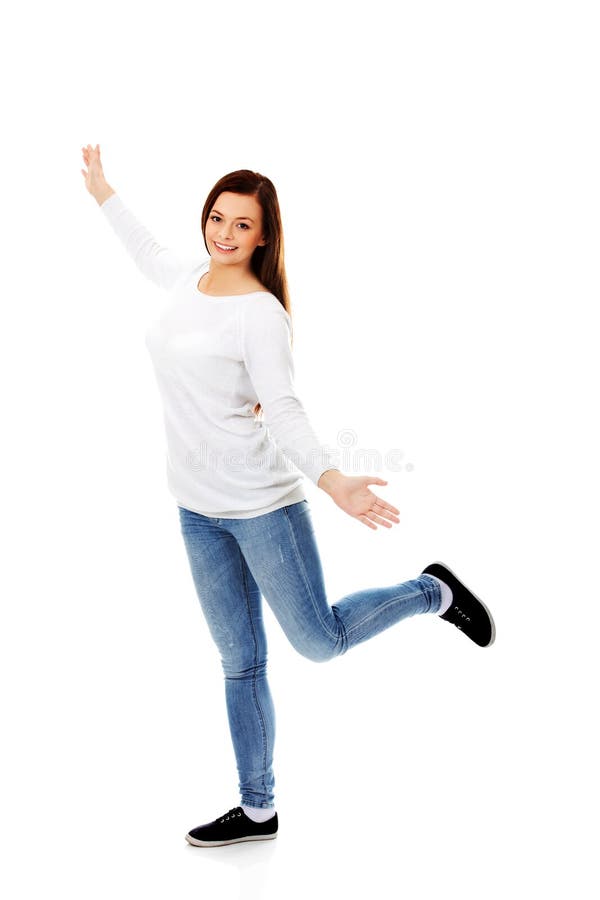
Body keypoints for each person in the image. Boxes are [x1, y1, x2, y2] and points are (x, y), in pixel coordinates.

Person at [81, 143, 496, 848]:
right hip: (196, 509)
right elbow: (147, 251)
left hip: (263, 507)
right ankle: (258, 808)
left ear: (264, 234)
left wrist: (333, 480)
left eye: (241, 225)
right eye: (217, 217)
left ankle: (432, 591)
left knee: (321, 641)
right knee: (239, 660)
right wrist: (103, 192)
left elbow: (284, 408)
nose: (224, 233)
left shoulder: (261, 314)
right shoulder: (188, 279)